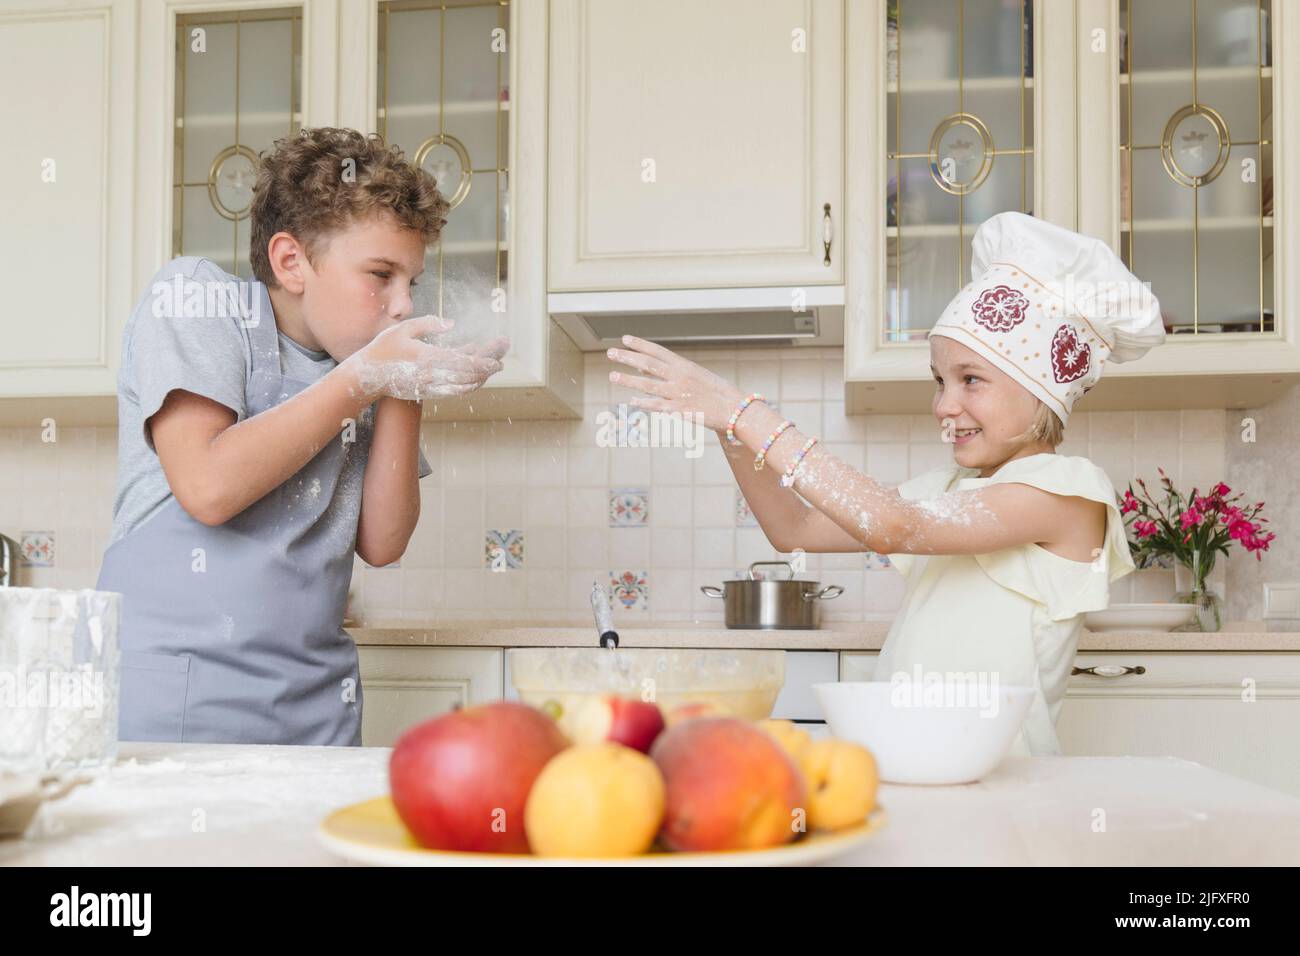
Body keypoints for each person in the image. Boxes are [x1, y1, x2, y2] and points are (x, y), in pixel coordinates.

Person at [607, 211, 1166, 755]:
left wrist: (745, 412)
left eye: (971, 379)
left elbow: (895, 526)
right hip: (914, 763)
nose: (945, 404)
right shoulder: (950, 485)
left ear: (1041, 390)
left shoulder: (1068, 495)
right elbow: (794, 528)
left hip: (1003, 779)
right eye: (940, 380)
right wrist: (730, 428)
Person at [97, 127, 508, 745]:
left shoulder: (359, 370)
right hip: (172, 705)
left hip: (315, 710)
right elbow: (207, 488)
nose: (401, 305)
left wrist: (403, 387)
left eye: (411, 283)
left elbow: (383, 541)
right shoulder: (196, 302)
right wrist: (368, 376)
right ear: (292, 262)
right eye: (380, 274)